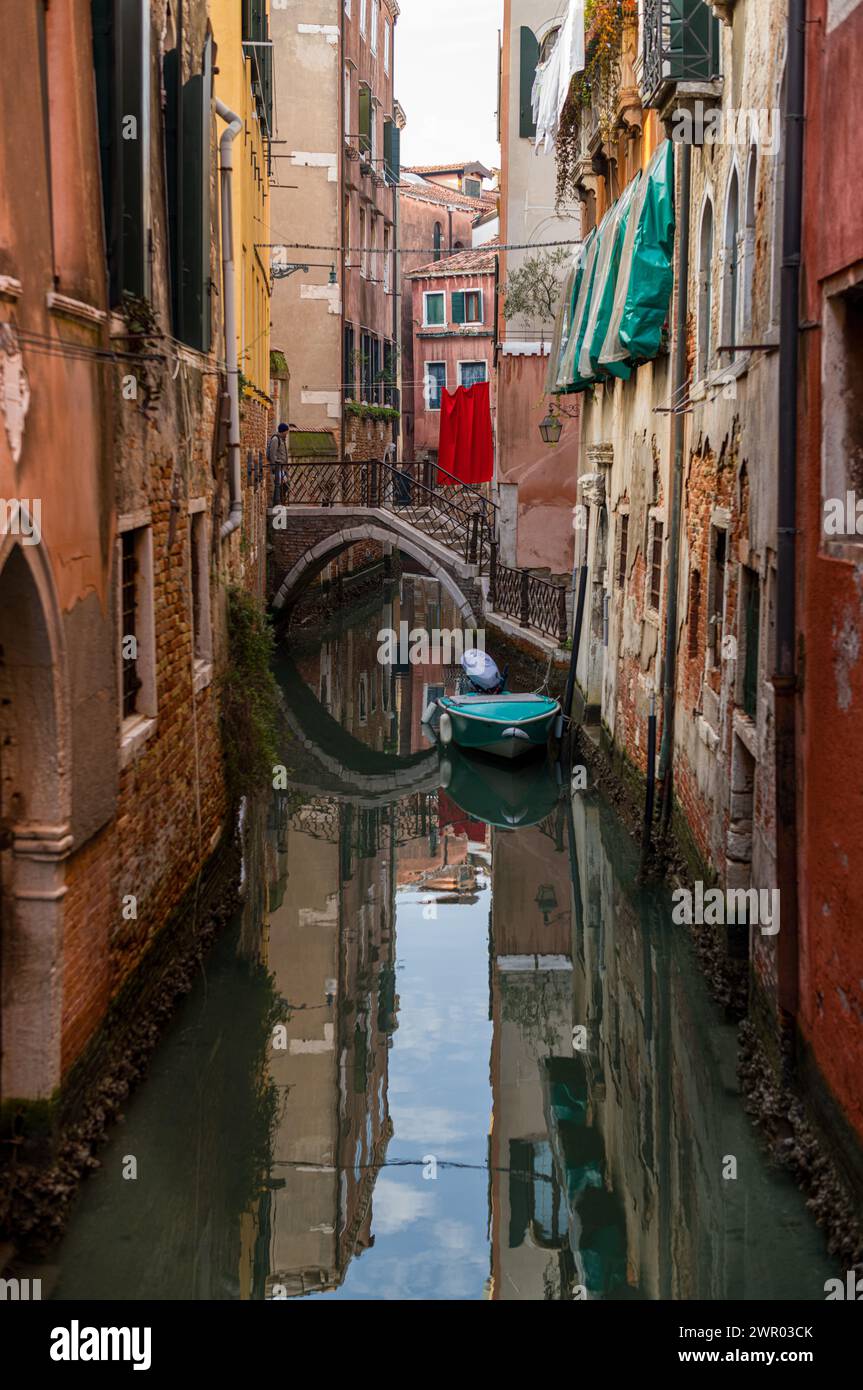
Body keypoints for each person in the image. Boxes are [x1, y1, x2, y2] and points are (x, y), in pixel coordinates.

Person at [267, 423, 289, 504]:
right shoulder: (276, 439)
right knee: (282, 485)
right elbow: (272, 454)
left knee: (284, 485)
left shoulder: (282, 440)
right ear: (283, 431)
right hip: (278, 468)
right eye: (286, 432)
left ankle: (279, 501)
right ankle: (277, 502)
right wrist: (275, 466)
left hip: (282, 468)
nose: (287, 433)